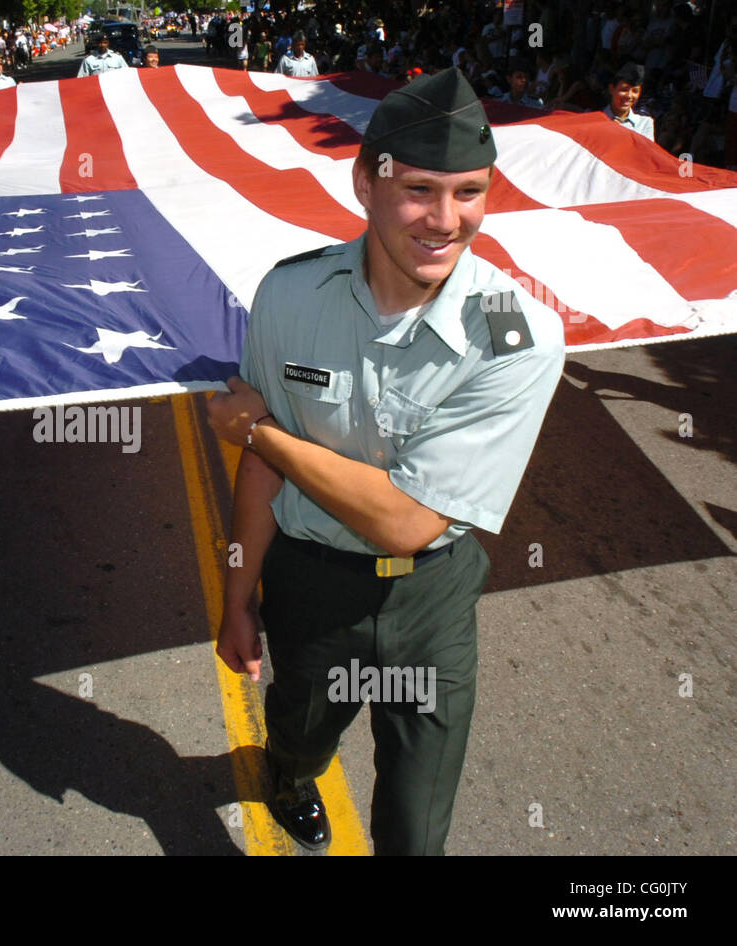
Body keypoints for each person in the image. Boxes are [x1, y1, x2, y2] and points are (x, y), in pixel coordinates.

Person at [206, 69, 566, 856]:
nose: (445, 221)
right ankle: (293, 780)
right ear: (366, 180)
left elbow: (406, 521)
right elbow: (263, 478)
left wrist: (261, 430)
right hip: (310, 587)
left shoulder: (518, 334)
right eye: (420, 191)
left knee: (415, 827)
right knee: (297, 737)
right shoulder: (290, 296)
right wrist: (239, 598)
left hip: (433, 601)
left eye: (469, 193)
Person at [603, 62, 655, 140]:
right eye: (624, 90)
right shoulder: (595, 119)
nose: (629, 96)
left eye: (635, 91)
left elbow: (644, 151)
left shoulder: (644, 123)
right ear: (611, 89)